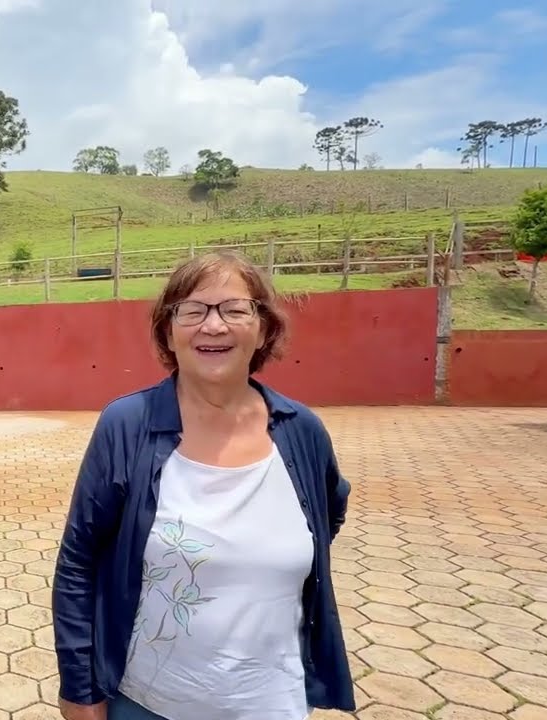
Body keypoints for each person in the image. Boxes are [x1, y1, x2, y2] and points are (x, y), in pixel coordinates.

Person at [51, 251, 355, 720]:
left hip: (272, 703)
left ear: (263, 328)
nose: (213, 326)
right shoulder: (127, 426)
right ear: (168, 332)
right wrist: (79, 689)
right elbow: (78, 561)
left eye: (235, 310)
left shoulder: (302, 431)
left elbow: (327, 512)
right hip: (145, 702)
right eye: (192, 311)